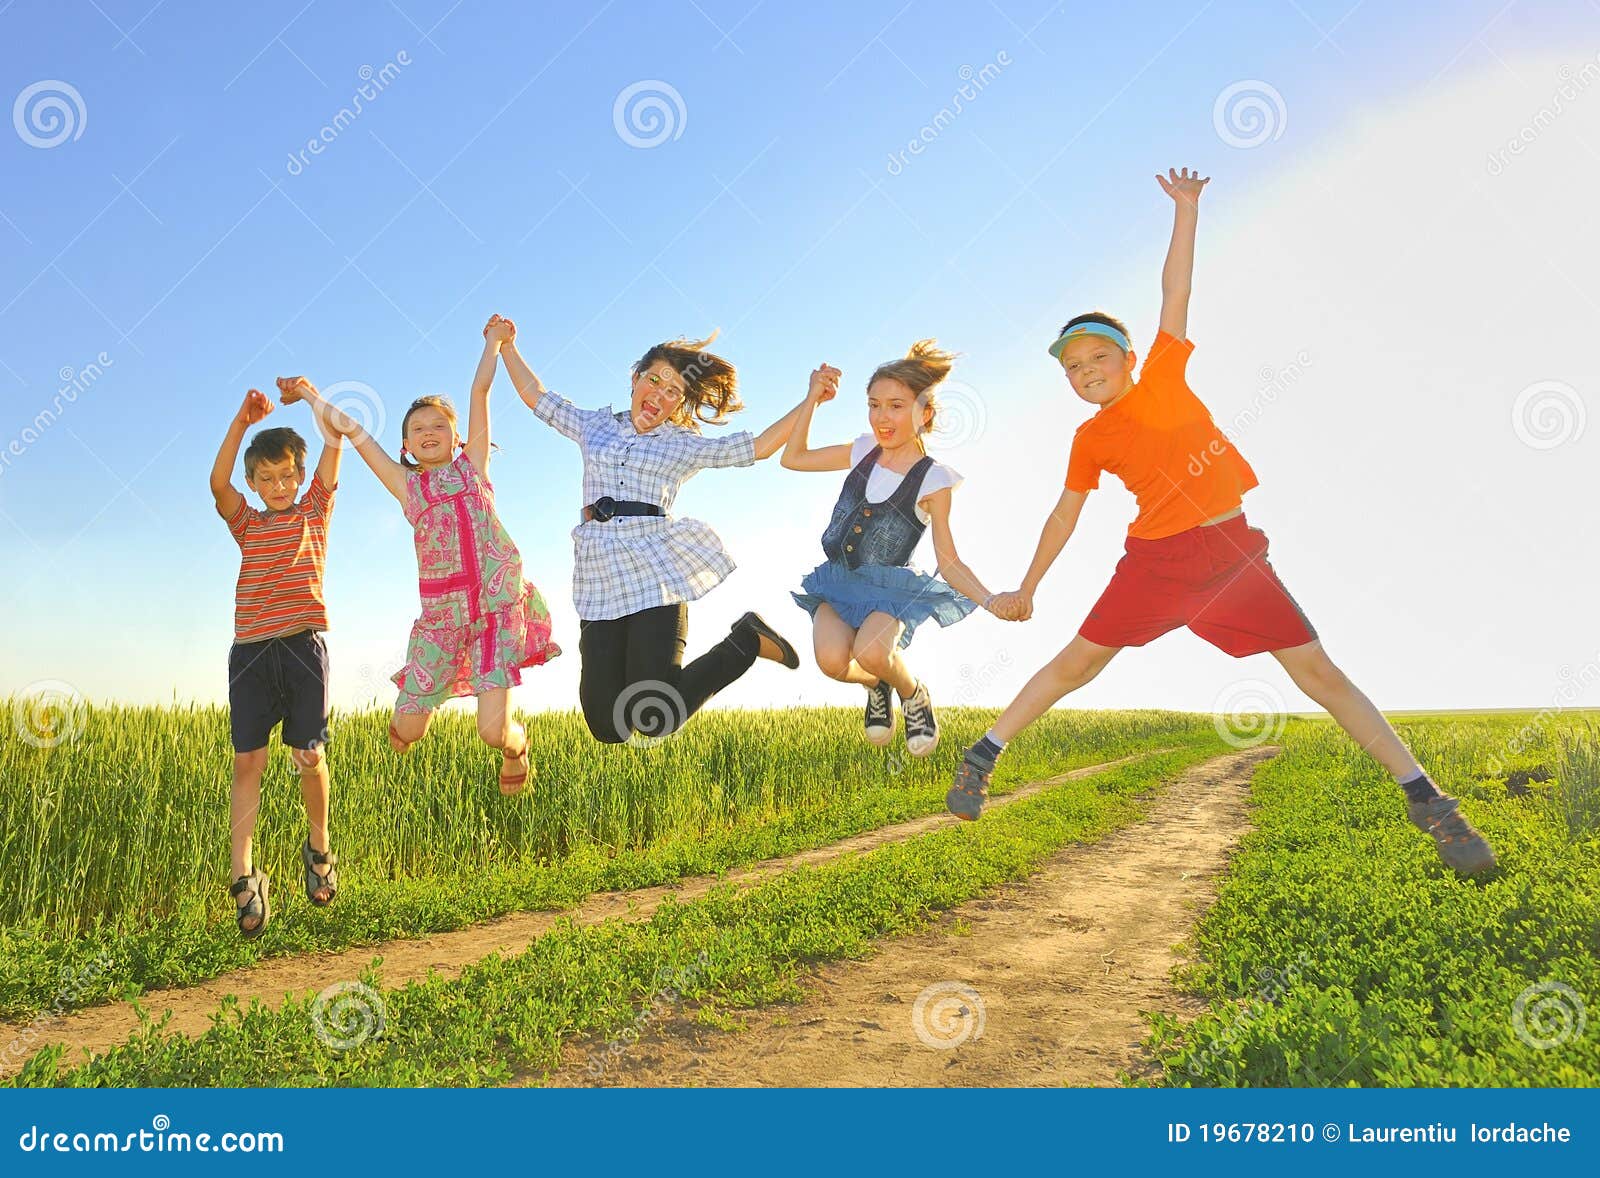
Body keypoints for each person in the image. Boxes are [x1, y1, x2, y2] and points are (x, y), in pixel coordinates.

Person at [947, 168, 1495, 877]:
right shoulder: (1091, 440)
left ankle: (1428, 800)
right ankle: (984, 756)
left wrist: (1187, 211)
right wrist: (1026, 586)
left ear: (1129, 358)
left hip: (1232, 558)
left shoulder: (1166, 378)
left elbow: (1176, 291)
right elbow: (1064, 513)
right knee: (1078, 663)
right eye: (1072, 367)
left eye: (1097, 357)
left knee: (1318, 673)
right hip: (1155, 564)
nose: (1085, 372)